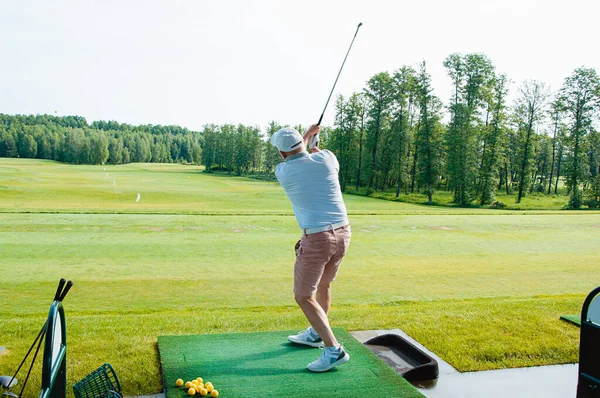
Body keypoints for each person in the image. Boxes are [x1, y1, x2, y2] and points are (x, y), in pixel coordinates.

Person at [270, 124, 351, 372]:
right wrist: (311, 141)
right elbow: (314, 152)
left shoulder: (283, 171)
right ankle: (316, 333)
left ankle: (333, 349)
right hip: (343, 233)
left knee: (303, 296)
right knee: (324, 285)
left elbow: (301, 152)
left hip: (317, 240)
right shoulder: (327, 158)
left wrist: (307, 137)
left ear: (282, 154)